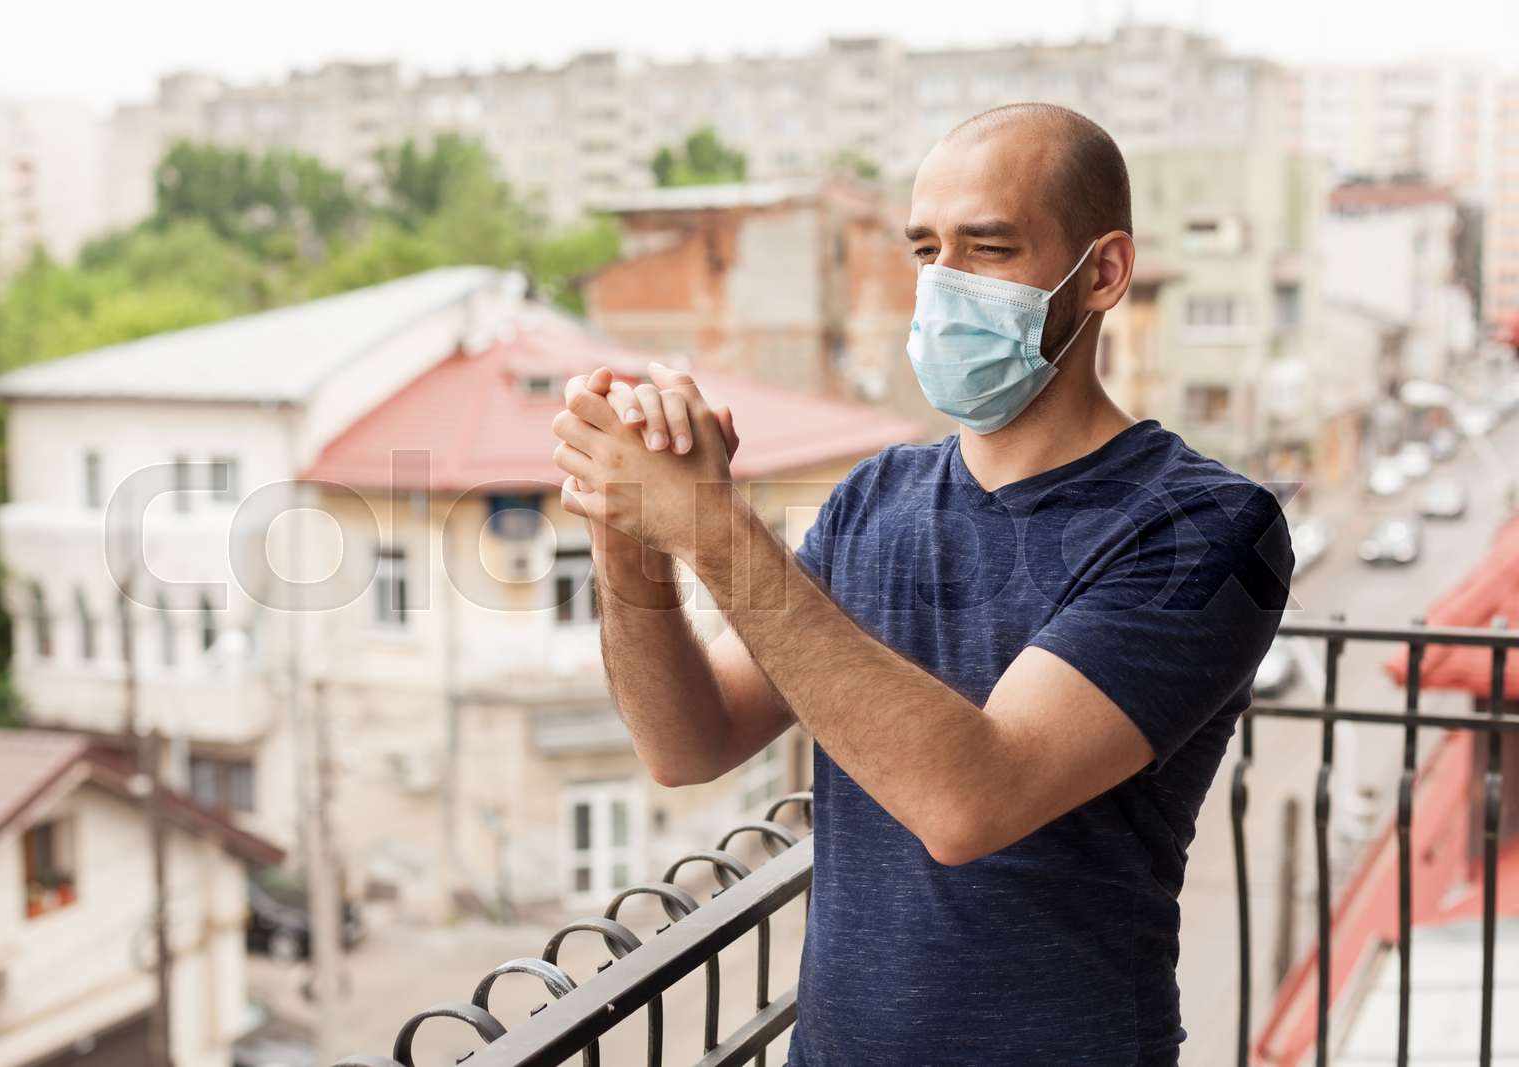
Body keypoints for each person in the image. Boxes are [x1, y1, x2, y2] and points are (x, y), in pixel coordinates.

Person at [549, 102, 1293, 1065]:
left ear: (1103, 273)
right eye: (925, 250)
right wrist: (628, 532)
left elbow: (971, 799)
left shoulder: (1207, 527)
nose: (943, 285)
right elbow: (687, 741)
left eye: (987, 248)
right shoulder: (876, 496)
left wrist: (710, 524)